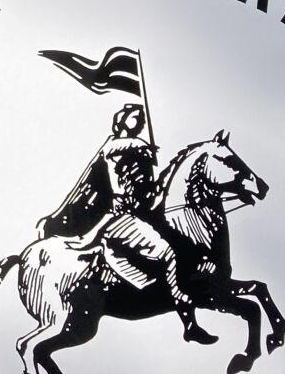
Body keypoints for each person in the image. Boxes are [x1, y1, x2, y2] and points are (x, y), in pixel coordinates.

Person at [38, 104, 216, 345]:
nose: (139, 122)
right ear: (121, 121)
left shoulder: (139, 150)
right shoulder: (115, 147)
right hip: (122, 218)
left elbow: (145, 188)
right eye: (135, 118)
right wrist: (143, 149)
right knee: (168, 253)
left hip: (140, 215)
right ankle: (189, 323)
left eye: (141, 119)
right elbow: (118, 168)